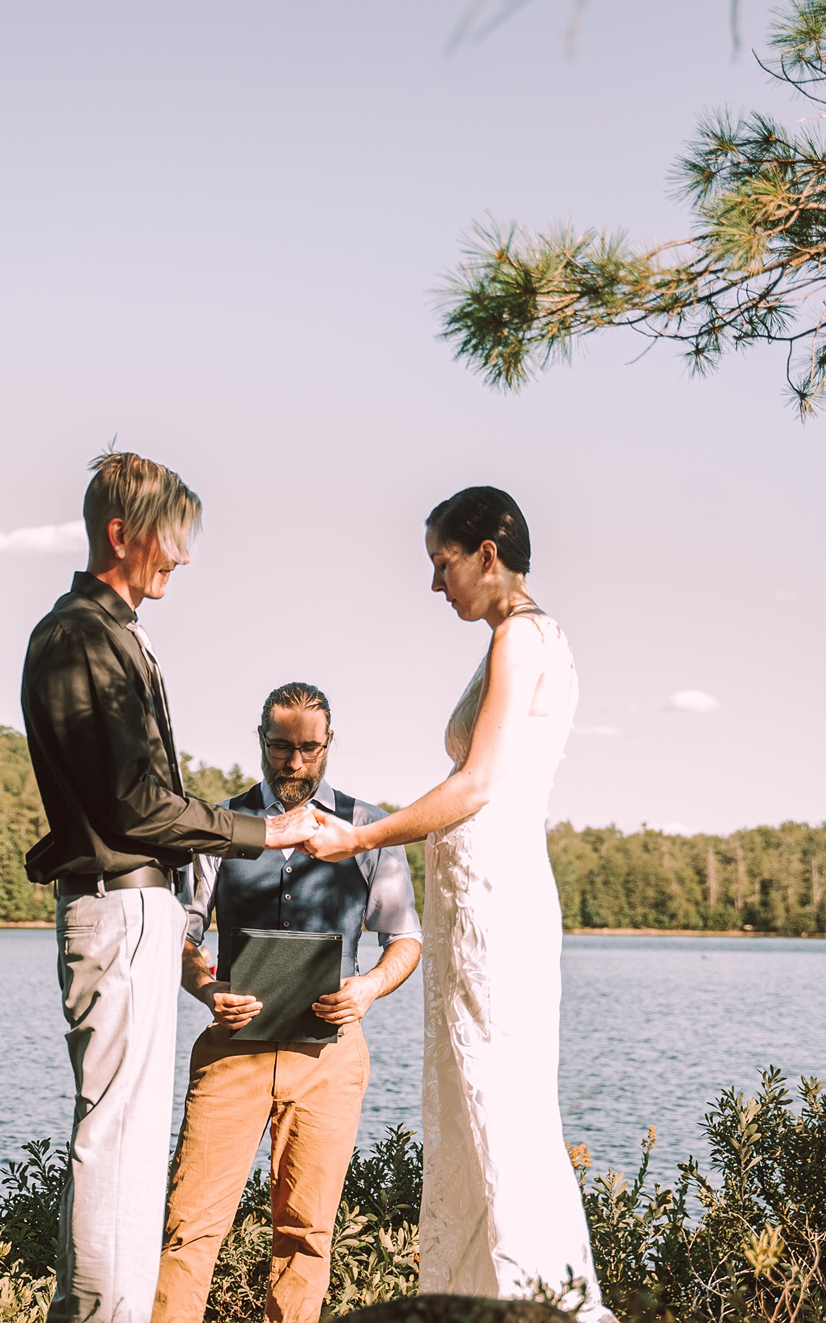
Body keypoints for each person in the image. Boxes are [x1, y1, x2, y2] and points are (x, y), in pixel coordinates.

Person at [20, 452, 321, 1323]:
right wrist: (271, 830)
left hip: (128, 906)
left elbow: (104, 798)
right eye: (172, 538)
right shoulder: (84, 636)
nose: (181, 557)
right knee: (118, 1141)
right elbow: (135, 803)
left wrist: (67, 841)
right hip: (121, 909)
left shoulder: (98, 634)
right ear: (123, 533)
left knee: (129, 1139)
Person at [301, 486, 607, 1316]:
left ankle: (532, 1302)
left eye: (443, 565)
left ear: (486, 553)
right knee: (479, 1100)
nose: (437, 587)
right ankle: (489, 1298)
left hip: (495, 897)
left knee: (498, 1102)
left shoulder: (519, 637)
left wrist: (361, 839)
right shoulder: (533, 637)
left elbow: (475, 785)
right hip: (484, 893)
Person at [154, 682, 422, 1323]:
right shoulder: (219, 827)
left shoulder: (369, 828)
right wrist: (208, 988)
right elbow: (178, 936)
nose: (294, 762)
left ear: (329, 744)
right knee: (189, 1227)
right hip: (231, 1053)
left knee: (307, 1235)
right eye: (281, 746)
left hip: (330, 1058)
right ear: (261, 742)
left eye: (308, 748)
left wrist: (367, 988)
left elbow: (405, 939)